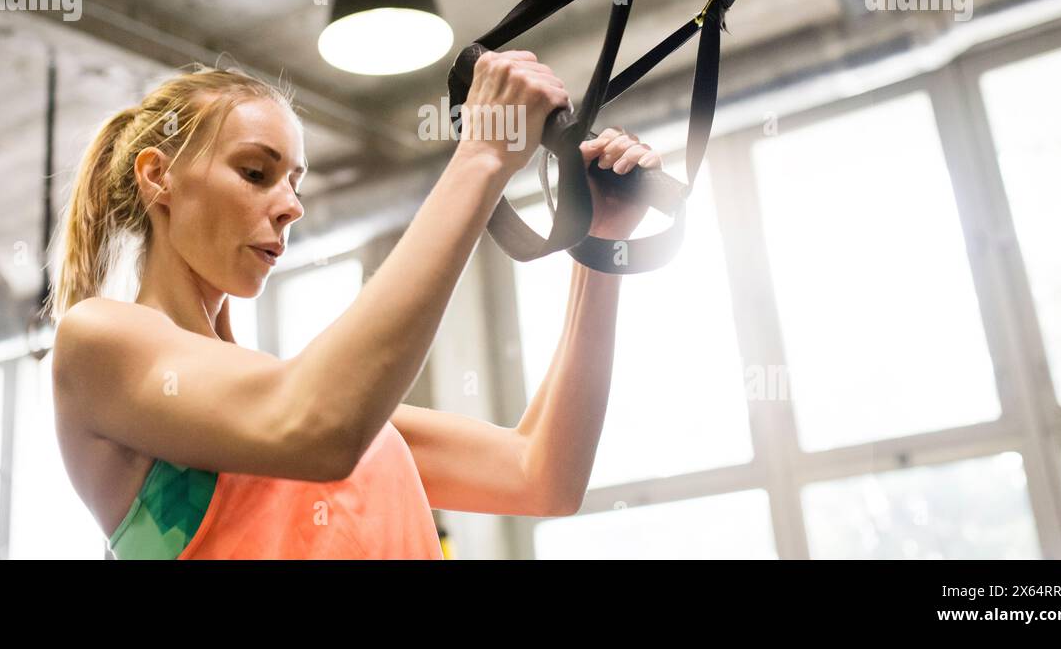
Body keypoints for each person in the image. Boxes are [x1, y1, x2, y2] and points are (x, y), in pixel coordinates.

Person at [47, 54, 662, 558]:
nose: (291, 206)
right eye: (256, 172)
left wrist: (600, 242)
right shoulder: (97, 339)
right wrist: (480, 154)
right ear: (158, 176)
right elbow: (320, 429)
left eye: (294, 182)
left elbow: (541, 475)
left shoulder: (299, 396)